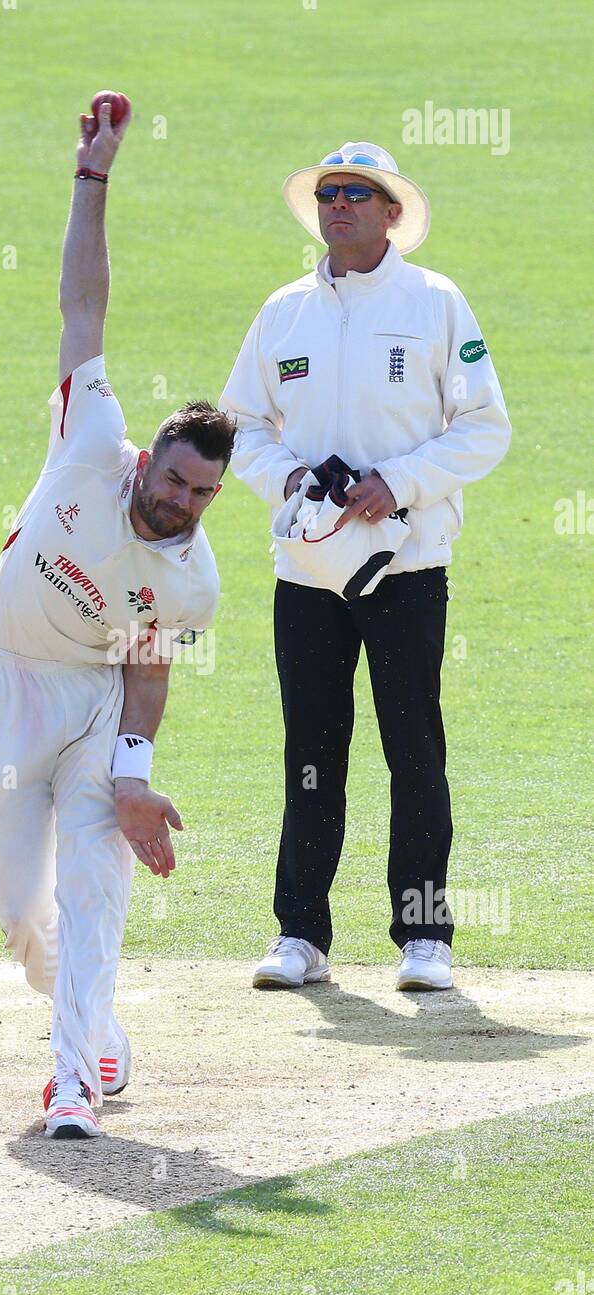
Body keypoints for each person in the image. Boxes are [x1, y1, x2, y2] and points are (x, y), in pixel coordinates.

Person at [0, 97, 234, 1138]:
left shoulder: (191, 581)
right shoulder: (91, 440)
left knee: (92, 882)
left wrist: (129, 777)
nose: (180, 504)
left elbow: (148, 671)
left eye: (201, 495)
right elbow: (83, 303)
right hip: (5, 675)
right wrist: (94, 177)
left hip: (90, 702)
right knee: (20, 915)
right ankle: (90, 1017)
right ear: (149, 456)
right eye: (174, 482)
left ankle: (72, 1079)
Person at [220, 141, 511, 994]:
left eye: (357, 192)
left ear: (392, 213)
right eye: (328, 192)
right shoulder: (284, 311)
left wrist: (398, 483)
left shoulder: (435, 302)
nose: (337, 203)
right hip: (308, 573)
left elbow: (484, 427)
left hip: (408, 567)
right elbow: (239, 425)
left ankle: (424, 936)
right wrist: (296, 481)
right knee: (311, 751)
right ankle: (300, 933)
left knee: (412, 747)